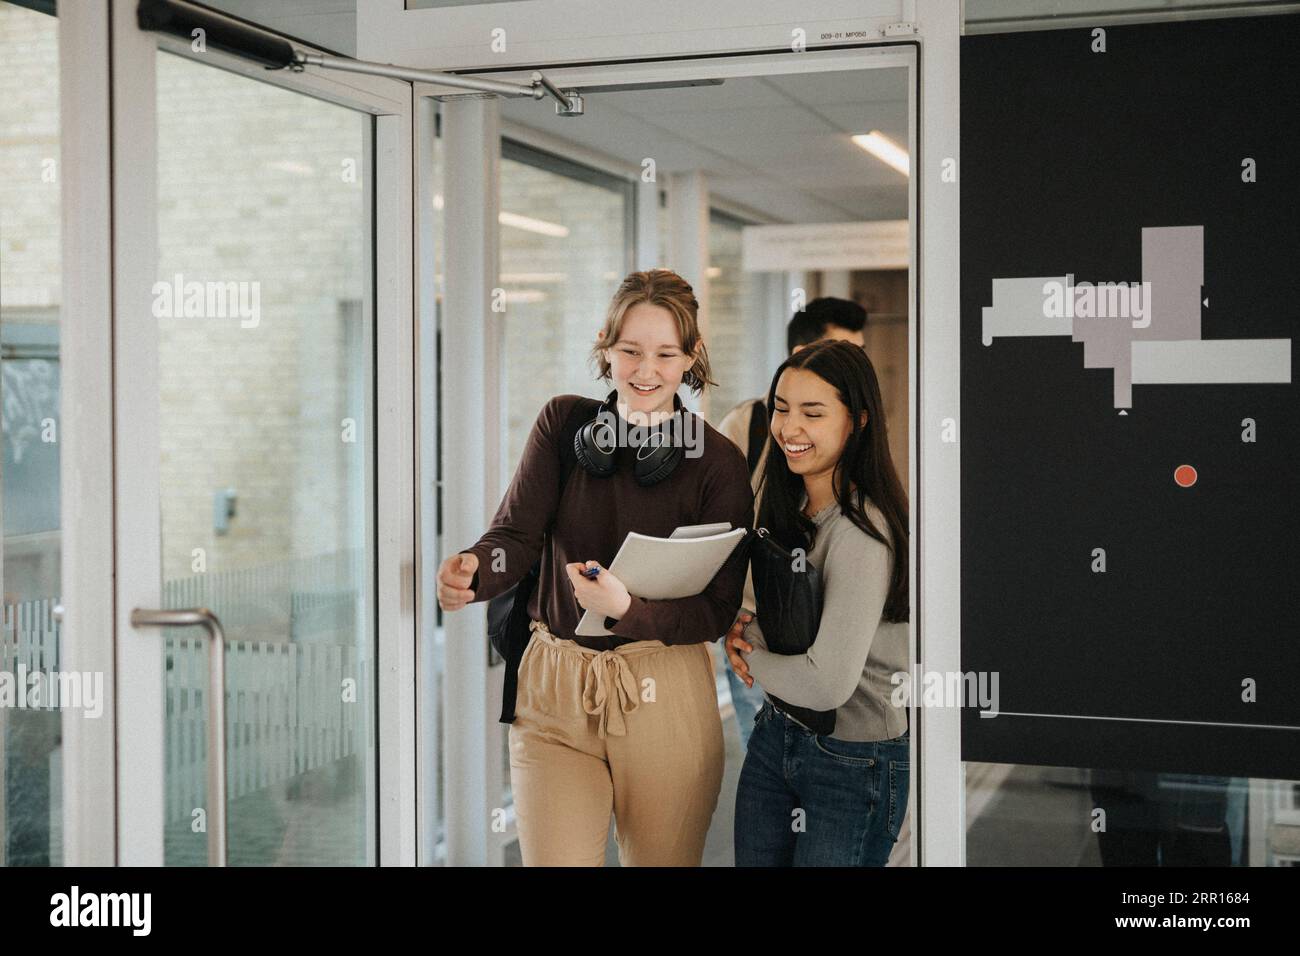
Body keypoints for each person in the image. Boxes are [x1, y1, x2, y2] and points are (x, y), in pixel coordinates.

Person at [437, 269, 754, 866]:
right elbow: (516, 535)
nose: (645, 370)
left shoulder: (718, 463)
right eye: (630, 350)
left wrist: (628, 611)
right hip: (554, 691)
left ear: (691, 358)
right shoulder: (562, 424)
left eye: (665, 354)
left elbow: (715, 610)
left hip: (663, 692)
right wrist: (475, 567)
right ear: (605, 344)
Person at [724, 338, 910, 866]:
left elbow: (827, 683)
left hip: (852, 761)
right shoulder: (789, 501)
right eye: (782, 409)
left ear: (859, 421)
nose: (789, 428)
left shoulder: (861, 533)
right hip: (778, 733)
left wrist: (749, 656)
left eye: (813, 413)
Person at [716, 298, 867, 749]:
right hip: (756, 622)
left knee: (834, 755)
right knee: (766, 758)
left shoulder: (856, 436)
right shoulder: (750, 424)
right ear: (802, 352)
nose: (854, 365)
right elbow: (714, 525)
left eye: (859, 351)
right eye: (842, 349)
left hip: (833, 629)